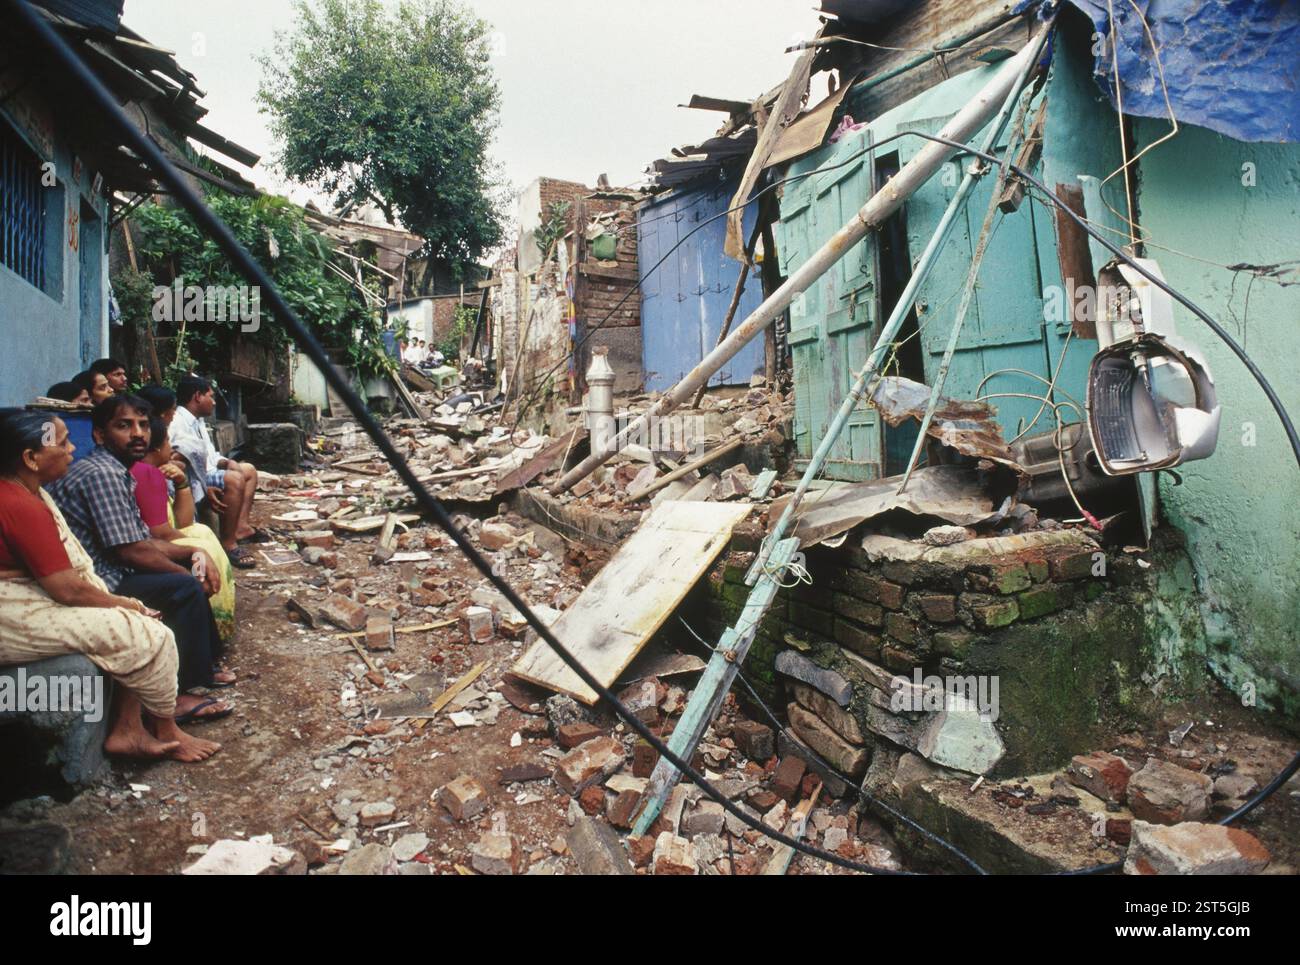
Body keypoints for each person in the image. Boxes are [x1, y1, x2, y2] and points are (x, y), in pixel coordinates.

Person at [0, 409, 219, 761]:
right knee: (147, 631)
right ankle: (163, 728)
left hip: (28, 598)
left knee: (138, 622)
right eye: (63, 442)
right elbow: (67, 589)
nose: (73, 449)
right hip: (10, 617)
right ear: (31, 458)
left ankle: (128, 728)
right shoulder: (20, 503)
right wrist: (125, 604)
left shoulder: (29, 493)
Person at [46, 395, 234, 722]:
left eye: (143, 426)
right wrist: (187, 565)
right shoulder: (102, 473)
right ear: (99, 435)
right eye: (124, 425)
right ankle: (176, 694)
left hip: (113, 566)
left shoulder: (119, 470)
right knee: (184, 586)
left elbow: (142, 540)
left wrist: (195, 552)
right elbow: (130, 550)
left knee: (190, 567)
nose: (138, 434)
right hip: (100, 579)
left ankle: (205, 665)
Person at [132, 418, 236, 643]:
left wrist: (182, 484)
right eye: (169, 440)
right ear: (158, 447)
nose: (173, 447)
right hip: (150, 548)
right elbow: (162, 533)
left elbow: (184, 521)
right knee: (202, 545)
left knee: (201, 532)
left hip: (157, 540)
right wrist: (194, 546)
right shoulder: (146, 474)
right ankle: (210, 629)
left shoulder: (158, 472)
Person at [169, 376, 261, 568]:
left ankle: (241, 528)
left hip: (207, 472)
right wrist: (208, 481)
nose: (214, 401)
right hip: (194, 478)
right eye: (211, 396)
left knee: (248, 470)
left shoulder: (198, 421)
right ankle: (228, 543)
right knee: (234, 480)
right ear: (197, 396)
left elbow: (210, 455)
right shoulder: (176, 422)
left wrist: (227, 462)